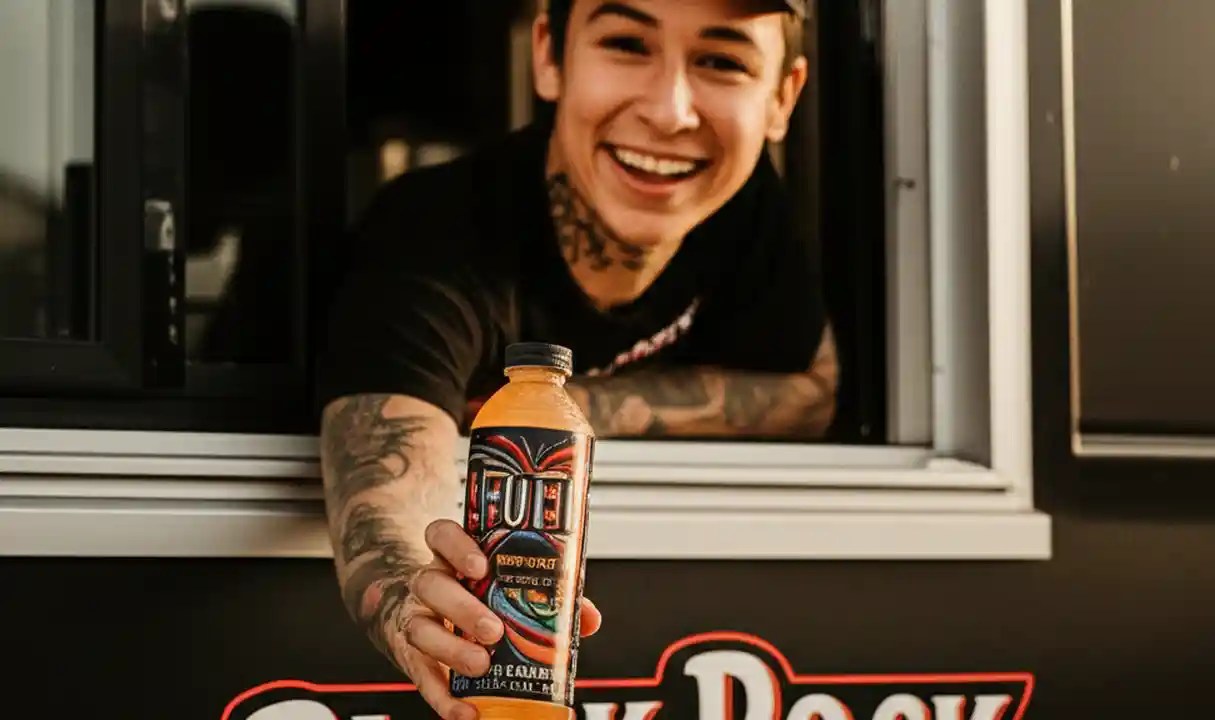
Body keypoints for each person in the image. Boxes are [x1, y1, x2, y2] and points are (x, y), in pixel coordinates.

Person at [316, 1, 834, 717]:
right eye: (627, 44)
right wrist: (415, 603)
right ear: (549, 57)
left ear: (782, 96)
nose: (670, 110)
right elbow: (386, 475)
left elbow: (812, 388)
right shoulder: (440, 230)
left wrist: (556, 421)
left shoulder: (748, 217)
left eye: (721, 60)